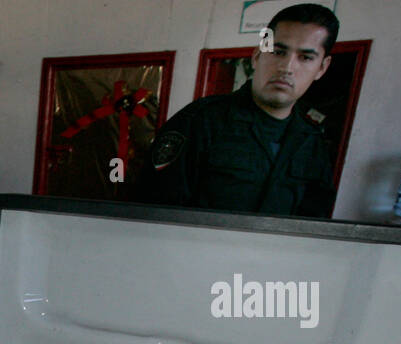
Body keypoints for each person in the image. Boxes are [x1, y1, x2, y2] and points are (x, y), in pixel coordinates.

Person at [140, 3, 338, 217]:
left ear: (322, 68)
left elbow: (313, 227)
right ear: (256, 56)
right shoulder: (200, 121)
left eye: (306, 57)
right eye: (278, 51)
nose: (287, 67)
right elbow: (152, 212)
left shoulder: (313, 145)